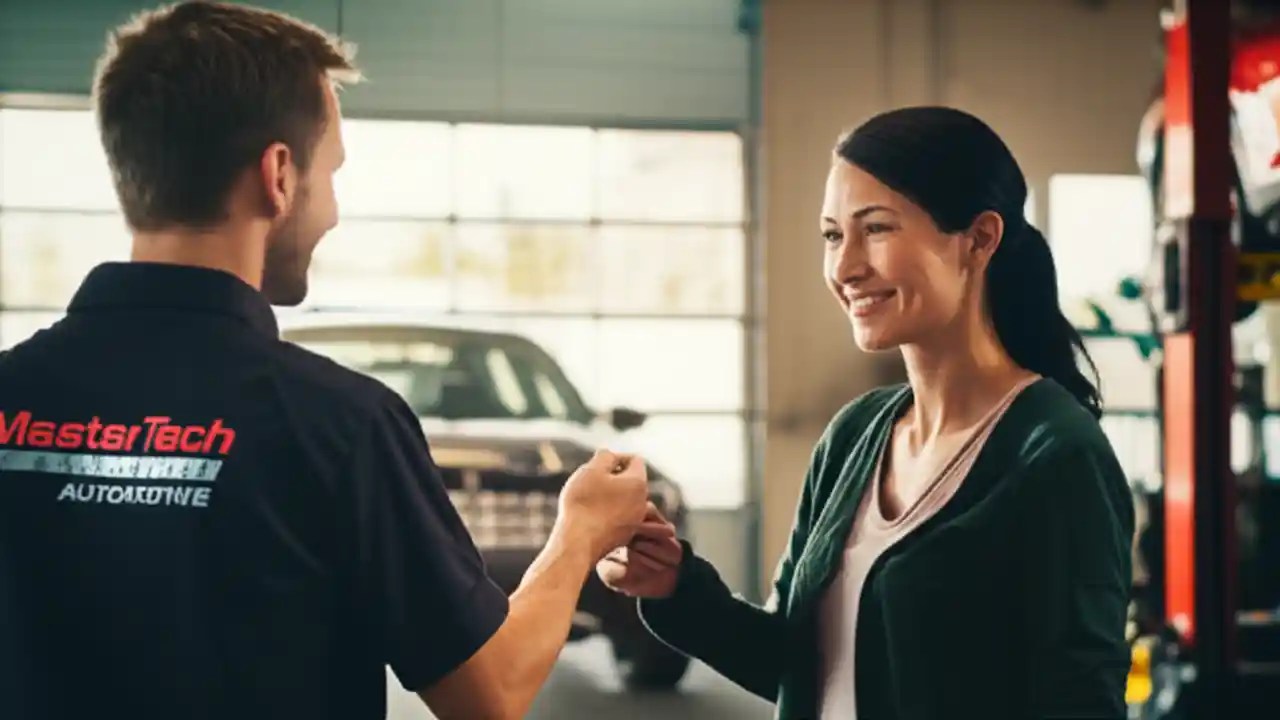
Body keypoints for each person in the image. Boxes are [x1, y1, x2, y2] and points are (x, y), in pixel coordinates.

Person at [0, 3, 657, 719]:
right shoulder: (340, 425)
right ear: (278, 175)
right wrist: (581, 532)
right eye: (332, 172)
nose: (335, 211)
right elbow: (489, 691)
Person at [599, 106, 1136, 720]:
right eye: (832, 235)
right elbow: (792, 661)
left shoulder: (1055, 453)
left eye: (875, 229)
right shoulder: (855, 434)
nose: (845, 266)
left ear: (980, 239)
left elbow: (1081, 703)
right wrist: (676, 587)